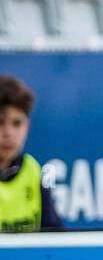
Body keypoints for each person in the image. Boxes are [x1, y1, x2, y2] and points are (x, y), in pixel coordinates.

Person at [0, 76, 64, 234]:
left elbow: (55, 236)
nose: (8, 133)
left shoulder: (34, 172)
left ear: (27, 126)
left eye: (17, 123)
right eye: (0, 122)